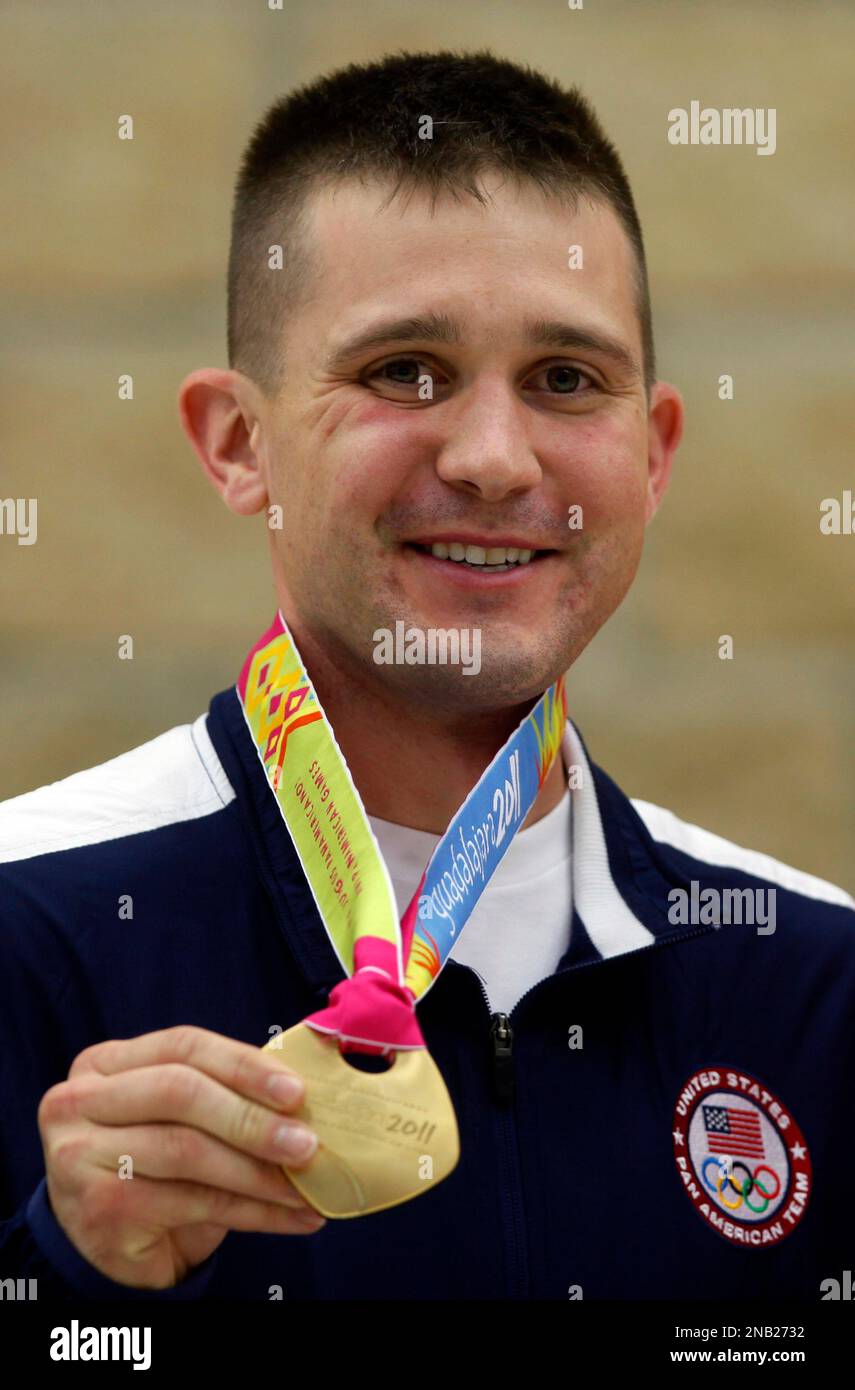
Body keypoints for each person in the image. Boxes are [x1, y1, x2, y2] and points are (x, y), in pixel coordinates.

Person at [1, 50, 852, 1302]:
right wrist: (62, 1280)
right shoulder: (28, 929)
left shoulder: (817, 982)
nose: (499, 458)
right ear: (241, 446)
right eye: (405, 370)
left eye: (567, 380)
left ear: (654, 453)